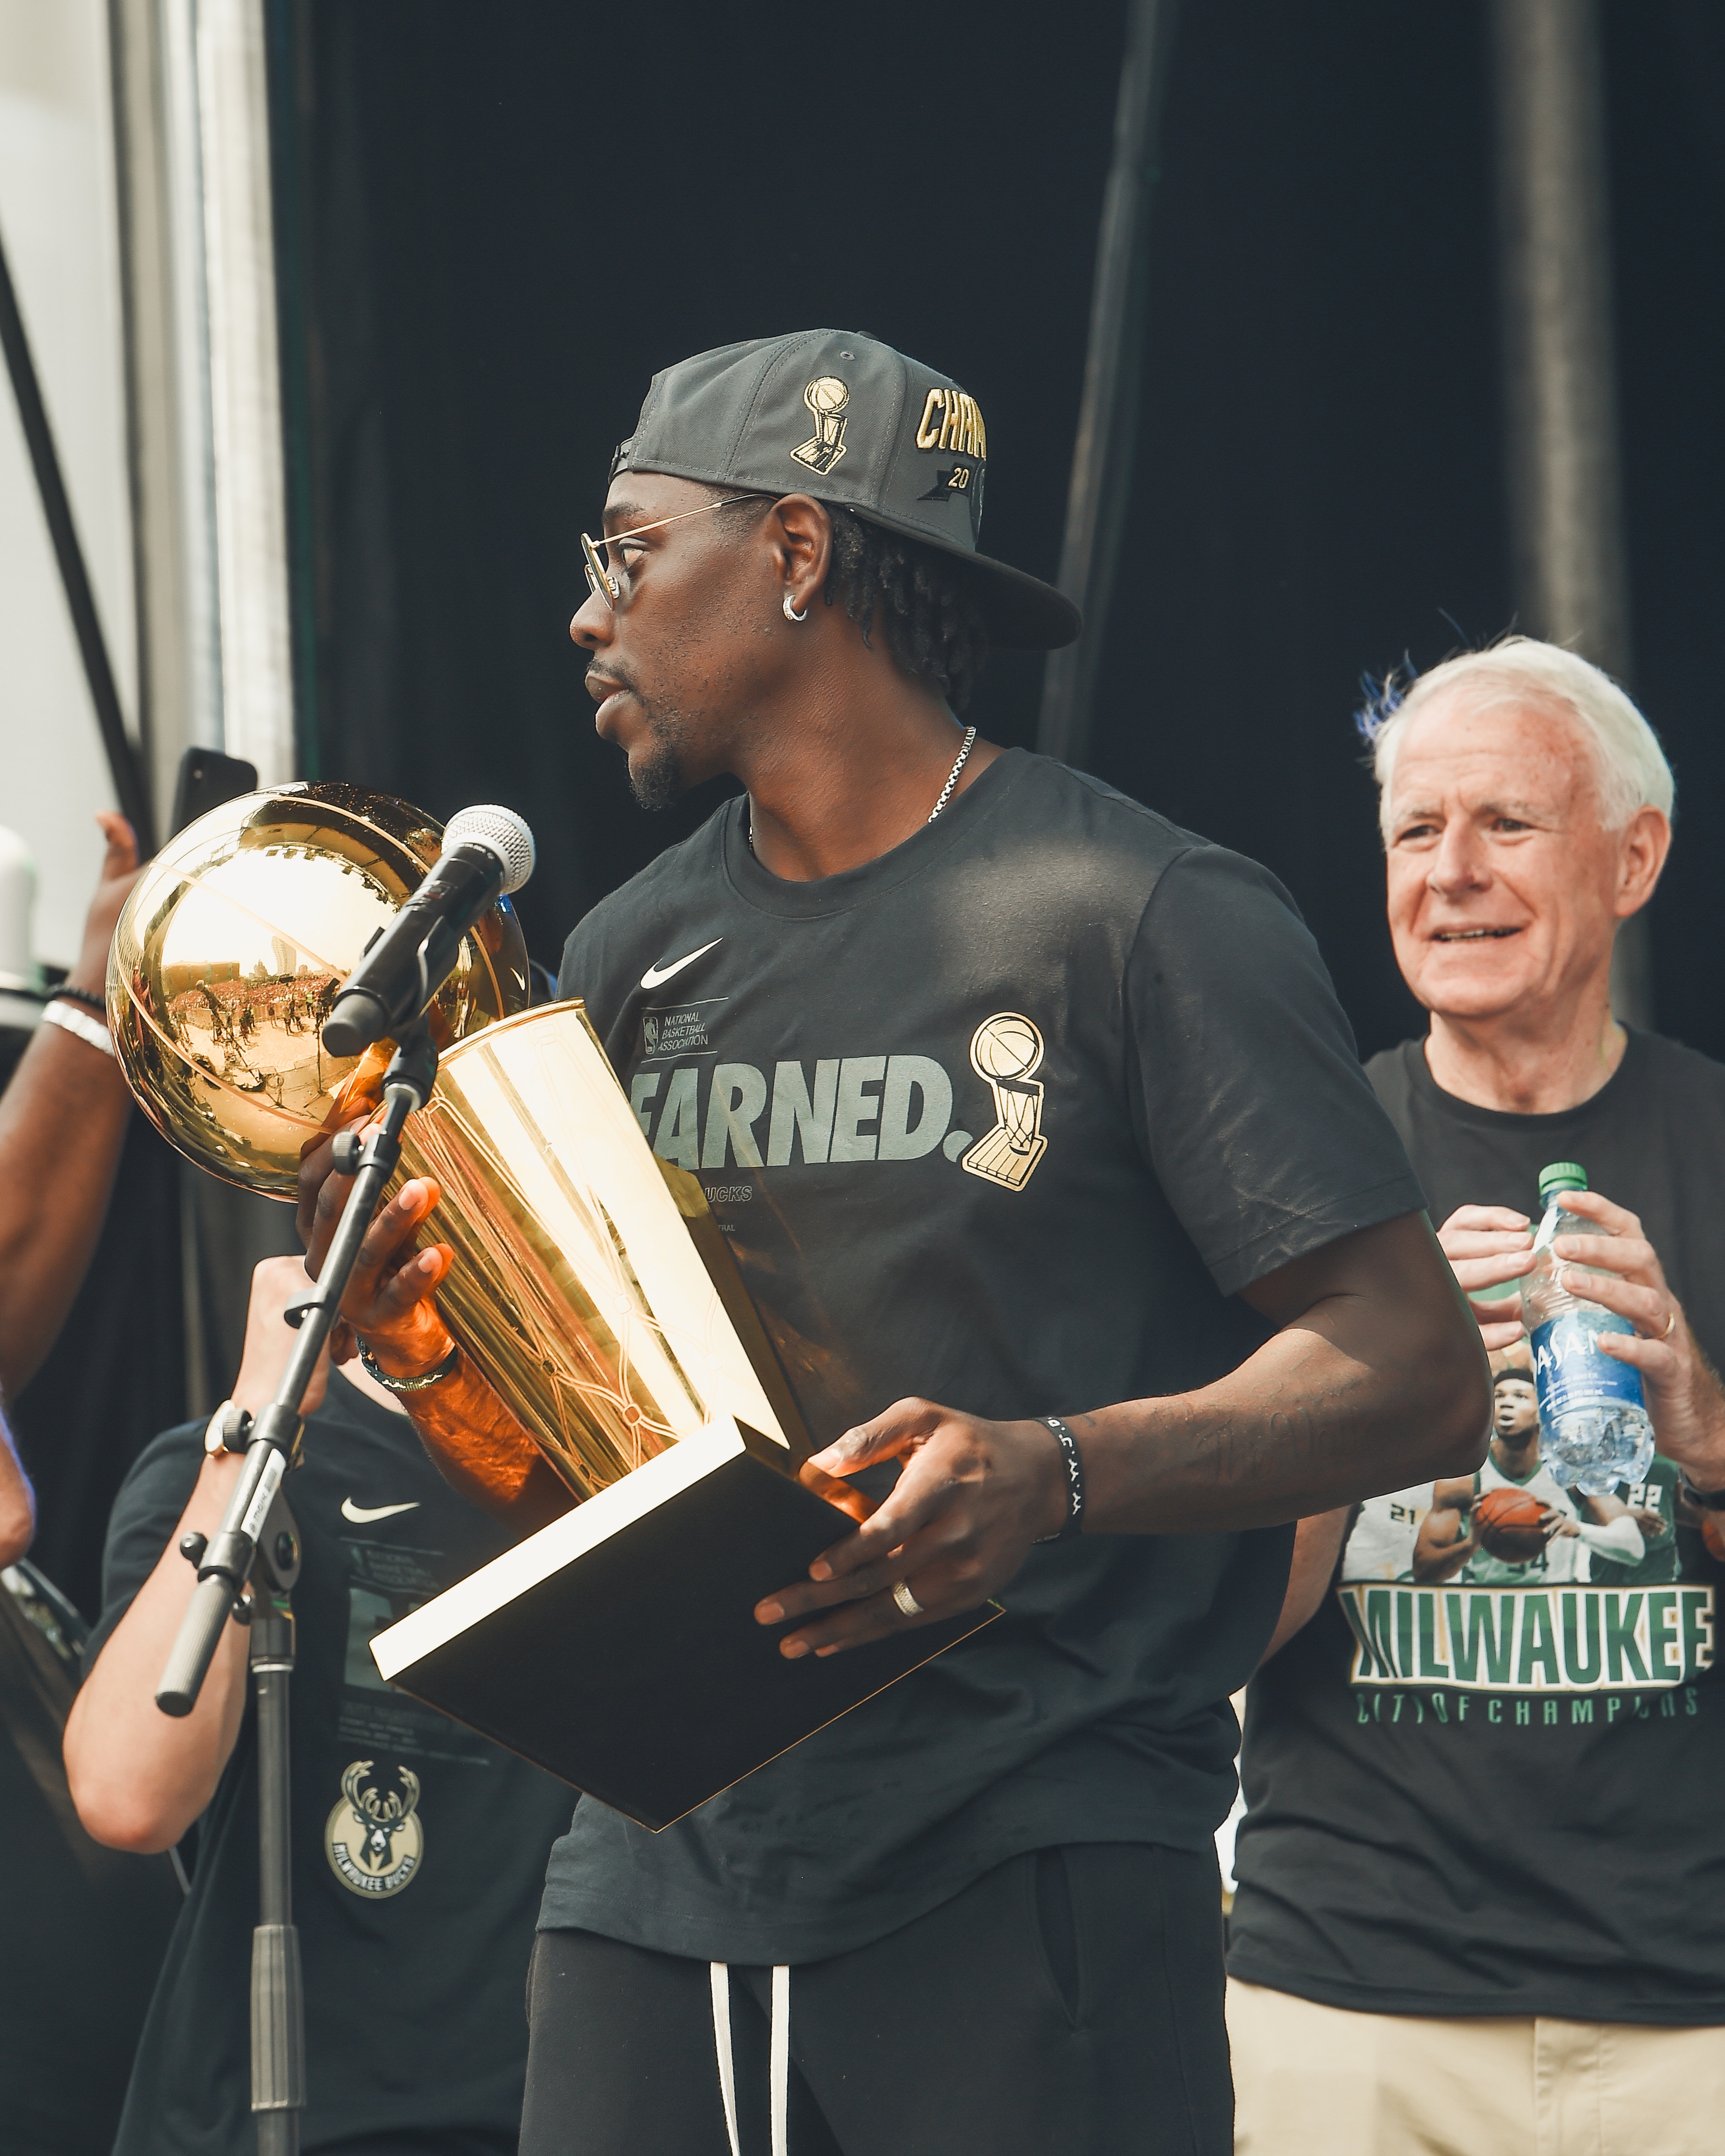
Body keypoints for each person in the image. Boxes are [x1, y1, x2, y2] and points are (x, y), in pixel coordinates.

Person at [300, 329, 1487, 2155]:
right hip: (658, 1865)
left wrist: (1062, 1473)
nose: (583, 616)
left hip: (1028, 1844)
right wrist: (427, 1344)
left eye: (626, 553)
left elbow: (1416, 1371)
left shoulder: (1143, 912)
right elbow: (584, 1467)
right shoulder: (622, 954)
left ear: (795, 553)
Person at [1228, 637, 1725, 2154]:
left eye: (1505, 824)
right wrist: (1375, 1397)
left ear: (1634, 856)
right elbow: (1211, 1629)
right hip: (1350, 2009)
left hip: (1697, 2010)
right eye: (1413, 831)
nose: (1451, 873)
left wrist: (1702, 1425)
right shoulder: (1292, 1176)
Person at [64, 1257, 575, 2155]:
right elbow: (126, 1797)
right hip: (266, 2122)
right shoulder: (226, 1464)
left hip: (541, 2118)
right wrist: (262, 1422)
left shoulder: (612, 1471)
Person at [1410, 1364, 1647, 1585]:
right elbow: (1423, 1571)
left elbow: (1633, 1548)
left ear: (1542, 1410)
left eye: (1520, 1396)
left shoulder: (1569, 1468)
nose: (1506, 1403)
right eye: (1499, 1396)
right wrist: (1472, 1544)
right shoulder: (1464, 1478)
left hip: (1553, 1610)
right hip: (1485, 1609)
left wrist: (1576, 1529)